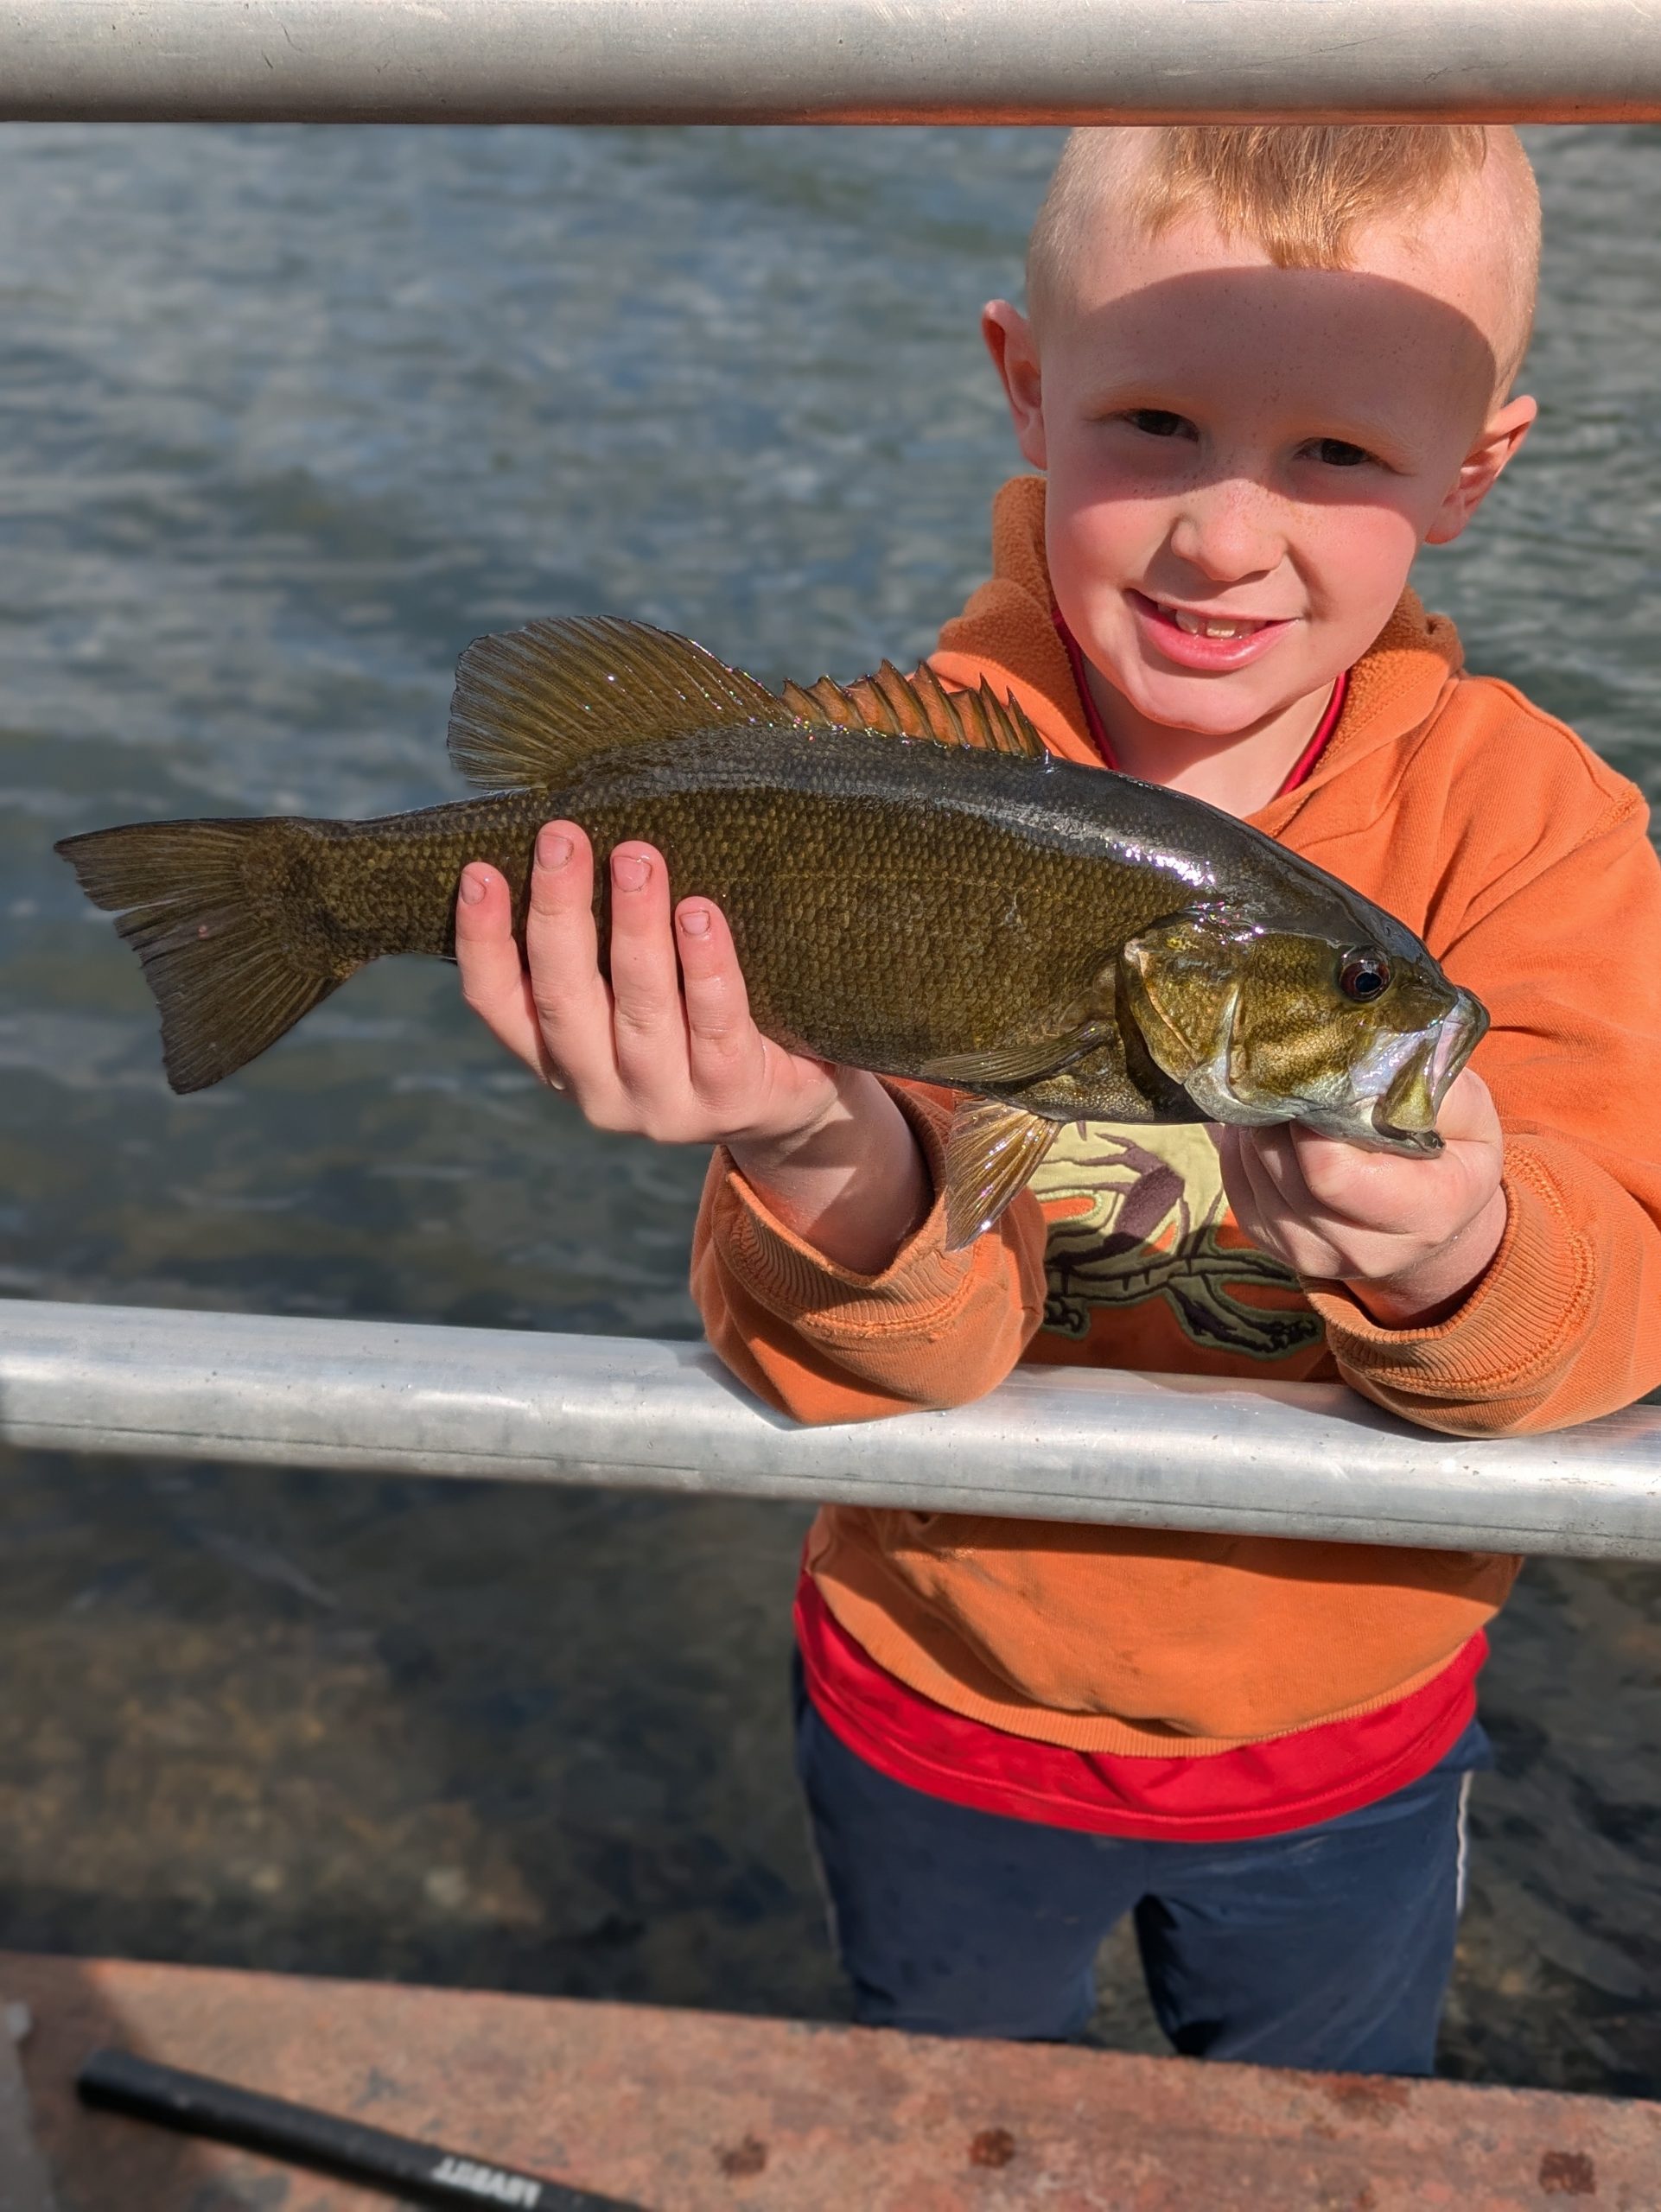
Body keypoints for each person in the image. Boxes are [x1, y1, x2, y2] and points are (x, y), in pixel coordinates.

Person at [451, 124, 1661, 2075]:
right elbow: (872, 1368)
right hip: (929, 1689)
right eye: (1158, 425)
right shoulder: (896, 794)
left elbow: (1609, 1324)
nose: (1224, 534)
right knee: (949, 2110)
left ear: (1474, 468)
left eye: (1338, 455)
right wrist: (794, 1128)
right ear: (1027, 382)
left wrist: (1464, 1253)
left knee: (1319, 2138)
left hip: (1346, 1735)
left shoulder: (1532, 833)